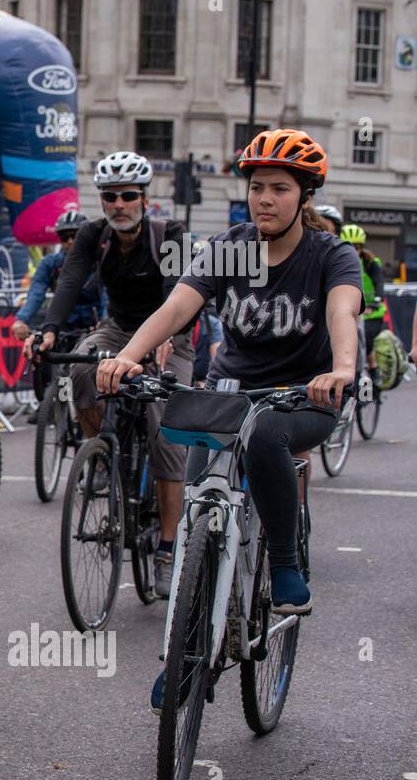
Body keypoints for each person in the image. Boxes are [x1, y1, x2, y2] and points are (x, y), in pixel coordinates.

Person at [93, 128, 360, 713]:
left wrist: (340, 369)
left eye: (279, 189)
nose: (264, 199)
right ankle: (187, 650)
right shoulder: (229, 248)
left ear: (304, 196)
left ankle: (285, 567)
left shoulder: (331, 254)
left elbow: (344, 311)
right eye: (257, 187)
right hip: (230, 391)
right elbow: (176, 307)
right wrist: (126, 356)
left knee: (265, 438)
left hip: (302, 397)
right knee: (199, 506)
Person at [35, 151, 195, 598]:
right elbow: (70, 281)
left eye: (128, 195)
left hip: (169, 331)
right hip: (118, 327)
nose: (119, 204)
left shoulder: (171, 233)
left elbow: (175, 292)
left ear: (144, 197)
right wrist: (49, 330)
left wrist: (162, 339)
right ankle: (100, 450)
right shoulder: (93, 235)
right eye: (110, 197)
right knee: (83, 367)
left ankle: (166, 547)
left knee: (165, 429)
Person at [15, 209, 102, 420]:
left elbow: (107, 296)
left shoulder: (99, 262)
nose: (70, 241)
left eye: (76, 236)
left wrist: (103, 323)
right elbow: (36, 293)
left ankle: (90, 406)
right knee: (44, 355)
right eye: (65, 237)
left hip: (92, 324)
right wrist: (21, 319)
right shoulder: (50, 264)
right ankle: (52, 401)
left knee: (87, 367)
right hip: (61, 323)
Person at [339, 223, 388, 390]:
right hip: (349, 312)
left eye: (357, 246)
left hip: (372, 313)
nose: (353, 249)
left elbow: (379, 282)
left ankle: (374, 370)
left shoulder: (370, 262)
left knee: (364, 338)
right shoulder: (337, 259)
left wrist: (377, 299)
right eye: (349, 244)